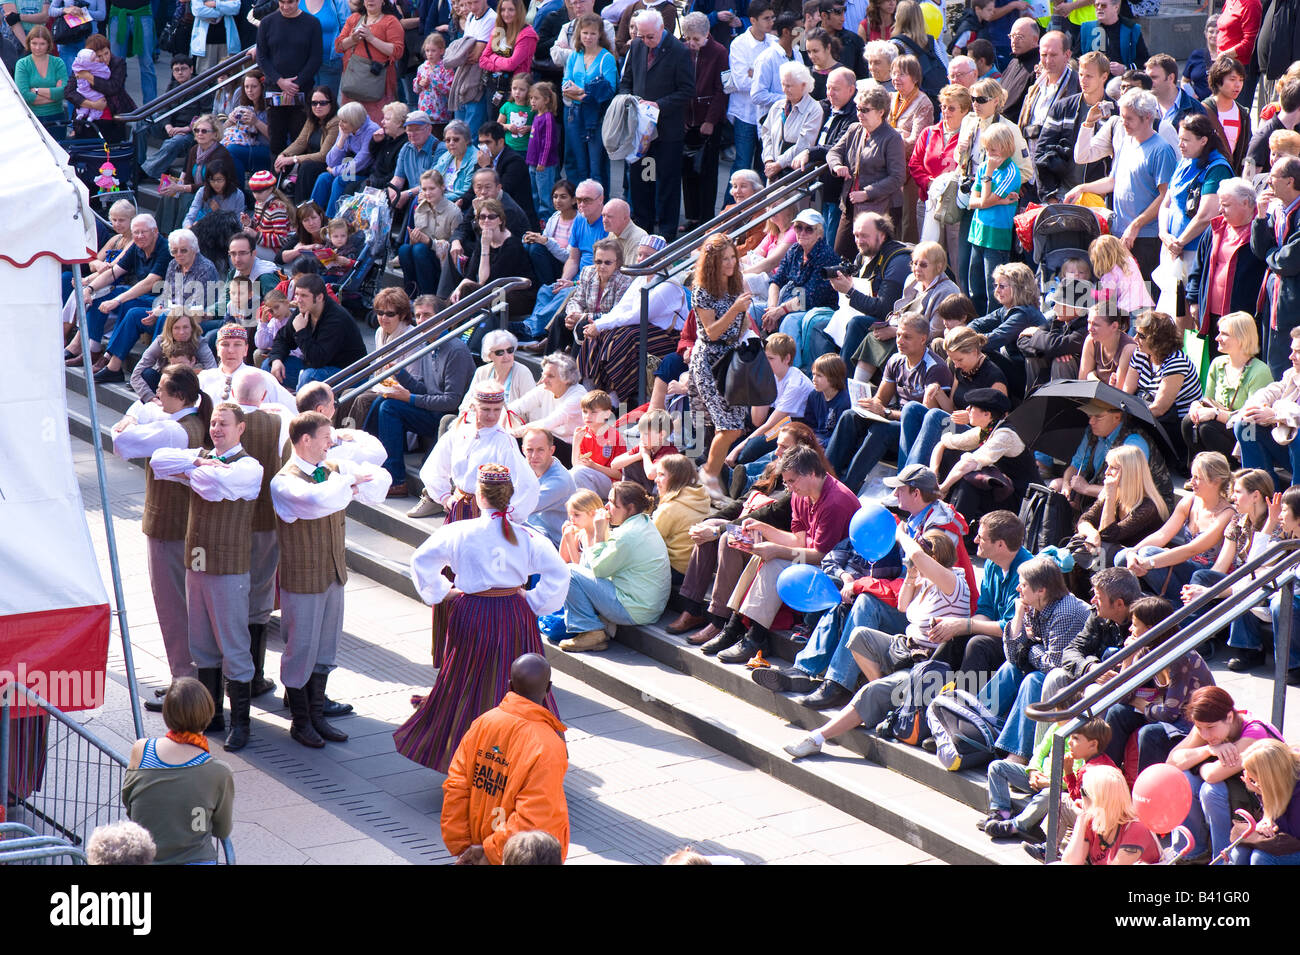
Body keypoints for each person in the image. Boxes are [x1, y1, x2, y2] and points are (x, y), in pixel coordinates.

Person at [397, 465, 568, 772]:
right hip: (514, 613)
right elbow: (559, 572)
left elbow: (421, 560)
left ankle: (465, 758)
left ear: (478, 495)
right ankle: (520, 758)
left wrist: (443, 591)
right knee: (514, 684)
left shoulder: (458, 531)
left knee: (466, 680)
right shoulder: (528, 536)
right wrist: (534, 600)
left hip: (471, 611)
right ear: (509, 496)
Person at [148, 403, 264, 751]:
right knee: (201, 644)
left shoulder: (250, 466)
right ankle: (212, 715)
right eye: (214, 423)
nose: (216, 429)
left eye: (224, 424)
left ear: (240, 429)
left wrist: (193, 472)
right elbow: (157, 462)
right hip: (196, 564)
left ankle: (241, 724)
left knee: (233, 643)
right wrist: (197, 462)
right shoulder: (202, 456)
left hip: (227, 565)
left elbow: (216, 487)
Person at [271, 411, 389, 747]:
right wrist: (346, 484)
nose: (331, 443)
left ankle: (318, 713)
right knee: (301, 648)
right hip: (303, 577)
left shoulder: (332, 469)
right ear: (305, 440)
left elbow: (378, 478)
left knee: (325, 647)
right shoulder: (285, 480)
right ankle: (301, 720)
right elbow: (317, 501)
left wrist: (352, 481)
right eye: (326, 437)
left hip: (332, 572)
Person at [702, 445, 861, 665]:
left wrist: (776, 549)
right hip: (817, 558)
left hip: (839, 570)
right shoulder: (800, 494)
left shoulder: (836, 501)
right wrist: (764, 529)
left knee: (775, 561)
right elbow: (798, 540)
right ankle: (734, 626)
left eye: (791, 481)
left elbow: (821, 556)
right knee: (758, 551)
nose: (788, 487)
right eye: (786, 482)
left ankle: (755, 637)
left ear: (812, 474)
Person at [112, 366, 213, 711]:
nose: (157, 397)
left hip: (169, 529)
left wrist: (128, 422)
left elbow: (120, 442)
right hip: (184, 527)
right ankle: (189, 680)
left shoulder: (173, 430)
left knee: (172, 608)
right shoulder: (190, 423)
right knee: (185, 607)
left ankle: (184, 684)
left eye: (163, 393)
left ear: (180, 397)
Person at [441, 653, 569, 865]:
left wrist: (464, 847)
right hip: (513, 856)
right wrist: (490, 852)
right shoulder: (548, 745)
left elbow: (456, 785)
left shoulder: (484, 723)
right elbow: (533, 817)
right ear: (548, 689)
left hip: (477, 847)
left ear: (510, 685)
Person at [827, 313, 954, 493]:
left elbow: (924, 418)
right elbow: (881, 399)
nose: (900, 341)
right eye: (898, 335)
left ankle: (846, 490)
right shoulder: (896, 360)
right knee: (850, 416)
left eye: (907, 337)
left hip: (915, 432)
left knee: (881, 430)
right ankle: (825, 476)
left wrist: (885, 413)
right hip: (895, 418)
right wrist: (870, 406)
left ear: (923, 339)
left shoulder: (935, 368)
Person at [121, 677, 235, 864]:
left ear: (167, 713)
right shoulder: (219, 772)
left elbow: (129, 804)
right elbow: (222, 830)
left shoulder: (141, 750)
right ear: (208, 713)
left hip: (143, 859)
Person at [1067, 88, 1176, 277]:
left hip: (1145, 237)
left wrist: (1136, 225)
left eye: (1129, 119)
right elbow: (1114, 181)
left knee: (1144, 297)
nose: (1123, 123)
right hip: (1120, 233)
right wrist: (1082, 187)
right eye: (1122, 117)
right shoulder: (1127, 141)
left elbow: (1165, 196)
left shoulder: (1161, 150)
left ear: (1148, 117)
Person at [1168, 685, 1282, 861]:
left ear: (1229, 717)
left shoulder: (1254, 733)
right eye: (1199, 728)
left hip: (1269, 800)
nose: (1205, 734)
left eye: (1210, 728)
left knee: (1211, 791)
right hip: (1240, 788)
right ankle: (1191, 855)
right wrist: (1208, 750)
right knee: (1183, 779)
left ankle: (1221, 859)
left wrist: (1199, 765)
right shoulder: (1207, 726)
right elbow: (1172, 762)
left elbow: (1213, 775)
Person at [557, 479, 671, 652]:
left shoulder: (627, 536)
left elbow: (597, 570)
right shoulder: (642, 522)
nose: (606, 508)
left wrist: (599, 533)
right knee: (578, 570)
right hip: (646, 605)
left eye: (612, 503)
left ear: (630, 508)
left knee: (570, 573)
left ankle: (590, 632)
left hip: (635, 609)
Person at [1118, 450, 1234, 603]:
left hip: (1204, 575)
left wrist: (1149, 562)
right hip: (1183, 565)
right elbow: (1162, 535)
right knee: (1122, 557)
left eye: (1198, 478)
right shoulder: (1190, 501)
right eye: (1192, 476)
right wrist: (1132, 551)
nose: (1191, 481)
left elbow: (1191, 549)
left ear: (1216, 481)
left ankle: (1174, 602)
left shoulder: (1227, 514)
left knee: (1147, 553)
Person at [619, 8, 695, 238]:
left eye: (649, 36)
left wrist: (658, 104)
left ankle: (666, 234)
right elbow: (626, 81)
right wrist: (629, 99)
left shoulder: (679, 51)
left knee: (667, 184)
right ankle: (642, 229)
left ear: (662, 29)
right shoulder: (638, 45)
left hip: (666, 132)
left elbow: (687, 90)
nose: (645, 40)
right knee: (642, 180)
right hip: (640, 131)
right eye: (641, 36)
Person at [688, 234, 754, 489]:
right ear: (712, 263)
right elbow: (711, 331)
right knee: (728, 427)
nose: (730, 264)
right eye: (724, 259)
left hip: (732, 358)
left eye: (732, 258)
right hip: (708, 361)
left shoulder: (736, 284)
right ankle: (708, 481)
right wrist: (735, 309)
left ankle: (707, 480)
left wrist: (744, 316)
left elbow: (741, 325)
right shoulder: (702, 291)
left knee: (734, 427)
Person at [826, 85, 905, 257]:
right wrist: (837, 166)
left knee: (874, 259)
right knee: (840, 256)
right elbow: (833, 152)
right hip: (851, 206)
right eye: (858, 109)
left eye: (865, 110)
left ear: (881, 112)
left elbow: (897, 177)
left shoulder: (892, 138)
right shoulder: (855, 129)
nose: (859, 114)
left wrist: (867, 193)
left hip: (881, 210)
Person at [1183, 312, 1273, 461]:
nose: (1217, 338)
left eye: (1224, 334)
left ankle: (1232, 469)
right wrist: (1197, 406)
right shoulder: (1218, 363)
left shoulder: (1259, 371)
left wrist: (1216, 414)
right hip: (1224, 424)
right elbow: (1208, 399)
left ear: (1241, 338)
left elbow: (1250, 420)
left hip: (1247, 432)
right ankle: (1200, 471)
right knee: (1189, 421)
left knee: (1207, 428)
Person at [1185, 178, 1266, 343]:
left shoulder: (1264, 228)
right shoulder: (1216, 228)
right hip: (1213, 317)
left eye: (1226, 205)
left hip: (1244, 321)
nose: (1221, 210)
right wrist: (1194, 300)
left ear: (1246, 203)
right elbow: (1198, 267)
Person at [1122, 309, 1204, 464]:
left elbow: (1160, 408)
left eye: (1141, 336)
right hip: (1148, 414)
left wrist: (1128, 417)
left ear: (1157, 339)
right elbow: (1126, 393)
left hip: (1175, 425)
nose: (1134, 339)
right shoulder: (1140, 354)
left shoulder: (1177, 363)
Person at [909, 83, 971, 270]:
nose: (945, 112)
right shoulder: (928, 133)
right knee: (930, 258)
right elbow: (914, 163)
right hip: (928, 202)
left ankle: (959, 298)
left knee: (957, 260)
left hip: (956, 207)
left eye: (951, 108)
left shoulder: (969, 138)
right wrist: (929, 184)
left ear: (965, 111)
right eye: (943, 107)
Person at [269, 273, 367, 389]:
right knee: (270, 366)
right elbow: (282, 338)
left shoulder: (336, 319)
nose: (298, 300)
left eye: (304, 296)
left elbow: (317, 360)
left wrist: (301, 331)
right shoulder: (304, 309)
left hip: (350, 374)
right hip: (319, 368)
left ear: (320, 297)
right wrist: (276, 360)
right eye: (296, 295)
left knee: (309, 377)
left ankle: (300, 405)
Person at [1073, 444, 1169, 561]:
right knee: (1080, 539)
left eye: (1113, 468)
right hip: (1110, 560)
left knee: (1103, 546)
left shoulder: (1148, 506)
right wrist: (1092, 534)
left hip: (1134, 566)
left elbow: (1108, 535)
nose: (1107, 472)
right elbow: (1084, 520)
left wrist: (1110, 496)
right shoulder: (1114, 494)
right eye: (1107, 466)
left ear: (1129, 473)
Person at [1253, 156, 1300, 379]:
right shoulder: (1279, 210)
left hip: (1293, 300)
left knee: (1286, 362)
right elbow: (1260, 250)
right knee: (1271, 358)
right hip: (1274, 297)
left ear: (1289, 181)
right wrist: (1261, 217)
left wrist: (1272, 255)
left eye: (1273, 177)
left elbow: (1289, 260)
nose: (1268, 182)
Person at [1235, 328, 1300, 490]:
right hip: (1286, 447)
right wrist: (1254, 406)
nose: (1291, 356)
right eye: (1292, 350)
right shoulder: (1292, 374)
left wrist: (1275, 415)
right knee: (1246, 424)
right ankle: (1259, 491)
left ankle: (1295, 502)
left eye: (1297, 352)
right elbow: (1273, 390)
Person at [1059, 765, 1161, 864]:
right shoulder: (1092, 822)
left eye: (1083, 791)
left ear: (1099, 798)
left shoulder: (1136, 827)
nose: (1080, 797)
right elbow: (1069, 862)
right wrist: (1081, 819)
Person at [726, 1, 779, 186]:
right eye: (766, 18)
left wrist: (754, 73)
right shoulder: (739, 44)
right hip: (745, 114)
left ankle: (758, 212)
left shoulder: (774, 43)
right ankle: (731, 210)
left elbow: (777, 77)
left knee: (762, 166)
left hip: (767, 114)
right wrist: (764, 78)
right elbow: (740, 81)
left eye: (772, 17)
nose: (771, 22)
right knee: (742, 165)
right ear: (752, 20)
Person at [1231, 741, 1300, 865]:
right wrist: (1266, 820)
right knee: (1241, 851)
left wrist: (1263, 793)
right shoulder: (1282, 776)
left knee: (1262, 858)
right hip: (1290, 837)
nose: (1254, 783)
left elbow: (1294, 832)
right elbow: (1271, 815)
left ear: (1268, 777)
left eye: (1255, 779)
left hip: (1295, 838)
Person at [759, 60, 822, 185]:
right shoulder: (778, 106)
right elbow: (766, 134)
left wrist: (779, 164)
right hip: (773, 172)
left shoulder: (814, 109)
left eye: (789, 86)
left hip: (795, 175)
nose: (785, 90)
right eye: (783, 84)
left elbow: (805, 143)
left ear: (803, 85)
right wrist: (768, 160)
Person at [523, 427, 576, 545]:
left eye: (540, 450)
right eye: (530, 450)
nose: (534, 455)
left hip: (554, 543)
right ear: (523, 450)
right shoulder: (525, 467)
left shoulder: (560, 481)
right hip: (533, 530)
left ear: (551, 450)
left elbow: (521, 508)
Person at [15, 25, 67, 136]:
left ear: (49, 44)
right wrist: (54, 95)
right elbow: (25, 96)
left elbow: (64, 91)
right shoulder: (22, 64)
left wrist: (37, 90)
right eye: (34, 43)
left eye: (42, 44)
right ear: (29, 43)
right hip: (32, 118)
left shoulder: (58, 63)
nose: (38, 48)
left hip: (57, 117)